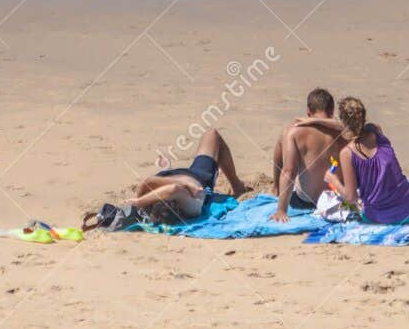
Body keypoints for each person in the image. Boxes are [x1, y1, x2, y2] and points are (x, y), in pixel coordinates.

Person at [84, 128, 250, 229]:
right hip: (196, 177)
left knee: (211, 135)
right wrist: (184, 183)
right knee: (212, 135)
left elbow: (148, 182)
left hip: (167, 178)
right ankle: (237, 186)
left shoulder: (145, 204)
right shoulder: (192, 206)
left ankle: (236, 186)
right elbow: (173, 189)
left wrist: (139, 200)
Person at [330, 96, 409, 225]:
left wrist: (333, 180)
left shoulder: (346, 153)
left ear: (343, 122)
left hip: (376, 218)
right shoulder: (376, 131)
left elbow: (351, 197)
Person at [271, 88, 346, 222]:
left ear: (308, 113)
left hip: (306, 201)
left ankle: (275, 187)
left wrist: (281, 210)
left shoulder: (295, 132)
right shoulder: (345, 132)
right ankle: (276, 187)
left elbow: (289, 171)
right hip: (336, 197)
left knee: (283, 139)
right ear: (332, 110)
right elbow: (356, 126)